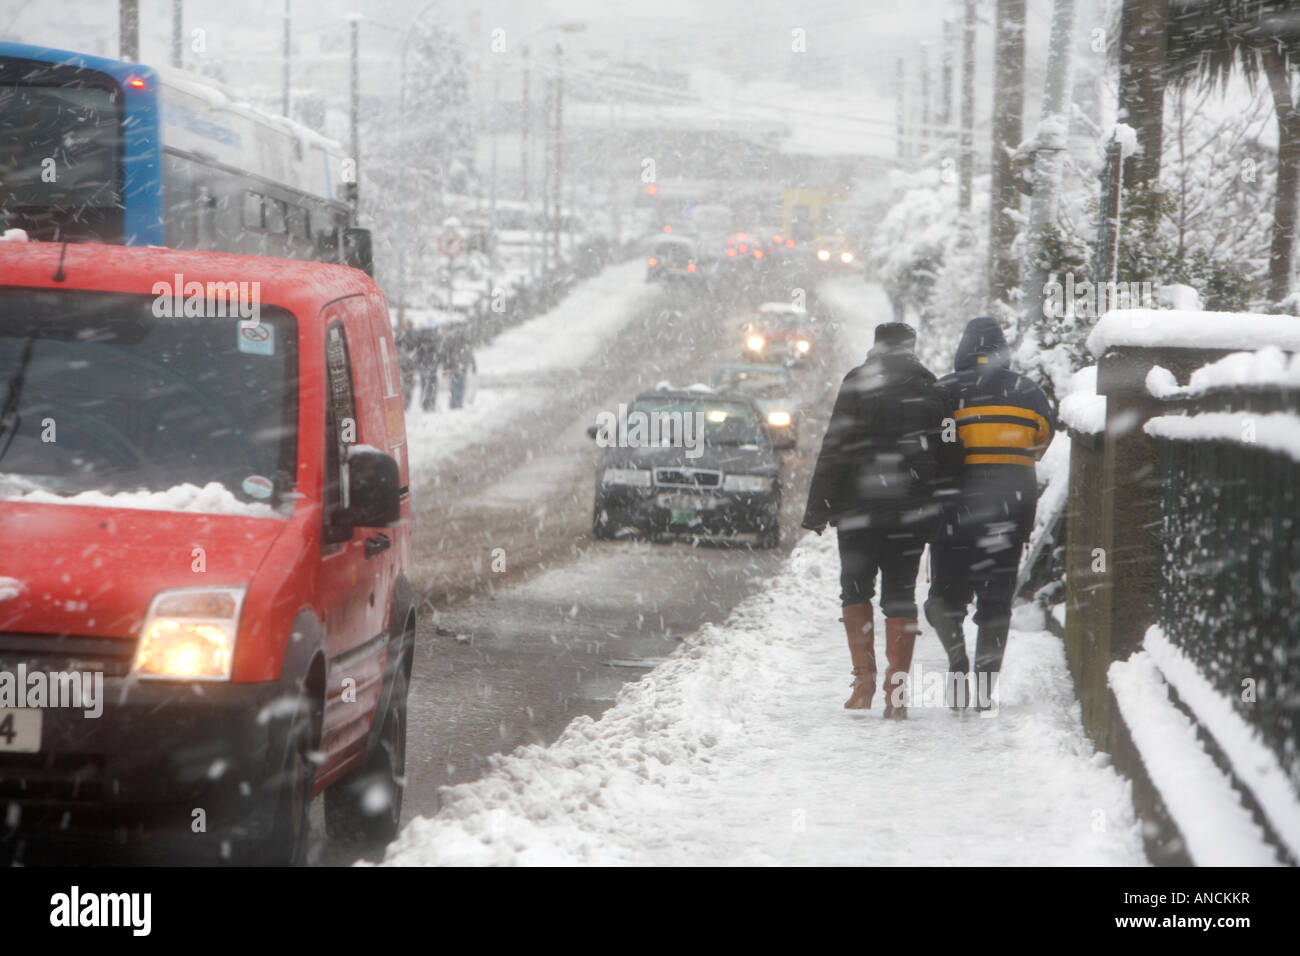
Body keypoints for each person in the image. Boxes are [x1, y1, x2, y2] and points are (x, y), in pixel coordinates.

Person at [803, 322, 962, 718]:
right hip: (911, 512)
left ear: (876, 347)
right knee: (900, 596)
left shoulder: (857, 382)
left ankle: (863, 684)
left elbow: (835, 444)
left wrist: (819, 505)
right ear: (911, 349)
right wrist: (939, 494)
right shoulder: (935, 389)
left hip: (858, 510)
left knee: (855, 591)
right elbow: (951, 450)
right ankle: (898, 694)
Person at [925, 316, 1053, 711]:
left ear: (963, 347)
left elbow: (932, 446)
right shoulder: (1029, 392)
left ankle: (957, 661)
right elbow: (1041, 443)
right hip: (1010, 512)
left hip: (954, 514)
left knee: (943, 601)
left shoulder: (943, 392)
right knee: (995, 603)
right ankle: (983, 689)